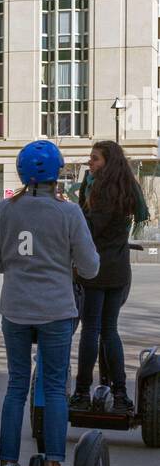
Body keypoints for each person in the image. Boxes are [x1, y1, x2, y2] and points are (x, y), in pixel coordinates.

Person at [0, 140, 99, 466]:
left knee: (16, 385)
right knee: (54, 384)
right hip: (56, 310)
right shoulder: (69, 212)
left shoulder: (5, 209)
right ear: (57, 173)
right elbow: (90, 267)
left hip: (15, 307)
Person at [70, 140, 150, 414]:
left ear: (108, 162)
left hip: (95, 269)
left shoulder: (103, 192)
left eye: (94, 159)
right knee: (110, 330)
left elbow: (89, 228)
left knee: (92, 331)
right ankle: (119, 393)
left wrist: (74, 210)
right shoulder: (126, 187)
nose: (89, 163)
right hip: (118, 269)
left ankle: (82, 392)